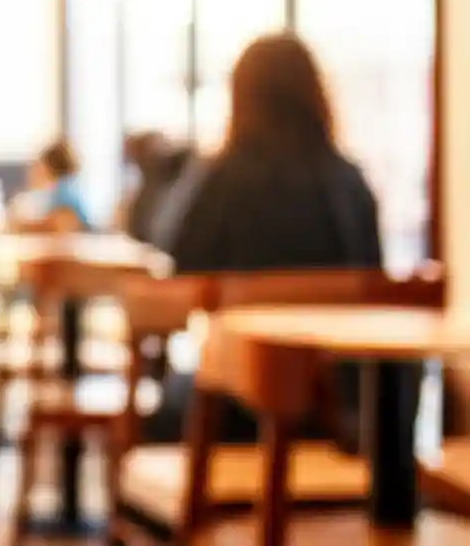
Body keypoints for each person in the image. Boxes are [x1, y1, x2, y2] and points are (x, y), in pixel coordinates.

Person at [151, 34, 382, 447]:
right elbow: (375, 284)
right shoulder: (350, 185)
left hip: (234, 418)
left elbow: (179, 269)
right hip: (341, 424)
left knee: (168, 410)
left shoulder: (223, 181)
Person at [9, 140, 93, 234]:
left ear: (49, 166)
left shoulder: (65, 188)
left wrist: (24, 225)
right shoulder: (65, 186)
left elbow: (61, 224)